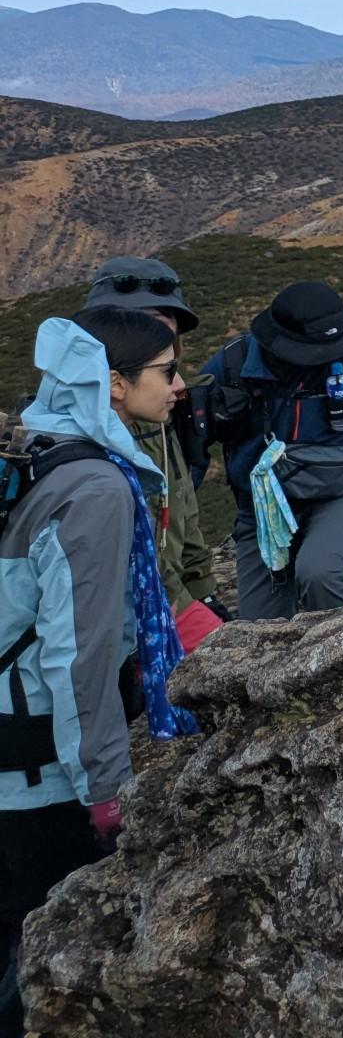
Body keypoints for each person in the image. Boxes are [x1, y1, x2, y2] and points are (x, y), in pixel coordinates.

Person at [0, 309, 198, 1037]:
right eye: (166, 371)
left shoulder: (38, 448)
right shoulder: (95, 490)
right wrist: (107, 791)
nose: (180, 385)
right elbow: (78, 654)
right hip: (34, 782)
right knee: (28, 976)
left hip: (9, 745)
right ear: (112, 385)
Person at [198, 282, 343, 620]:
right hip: (262, 510)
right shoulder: (233, 367)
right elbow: (192, 440)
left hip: (336, 494)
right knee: (260, 628)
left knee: (319, 573)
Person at [77, 258, 229, 649]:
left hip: (168, 599)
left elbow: (180, 509)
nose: (176, 383)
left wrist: (203, 590)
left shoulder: (157, 415)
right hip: (138, 613)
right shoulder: (85, 449)